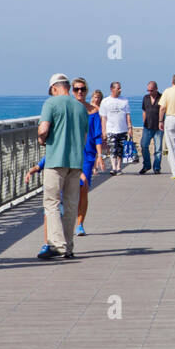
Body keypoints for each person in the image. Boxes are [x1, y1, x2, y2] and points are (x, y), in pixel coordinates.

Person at [38, 73, 89, 259]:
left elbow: (43, 129)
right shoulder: (81, 107)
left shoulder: (50, 104)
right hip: (75, 162)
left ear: (54, 88)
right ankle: (68, 247)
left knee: (51, 203)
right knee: (71, 204)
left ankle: (57, 244)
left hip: (55, 161)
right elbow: (84, 137)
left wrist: (41, 139)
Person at [72, 80, 104, 236]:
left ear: (86, 91)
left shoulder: (93, 111)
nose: (80, 92)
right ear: (72, 91)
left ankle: (80, 224)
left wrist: (100, 156)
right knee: (70, 189)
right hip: (70, 153)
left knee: (83, 188)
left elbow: (97, 135)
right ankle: (68, 219)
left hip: (88, 154)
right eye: (76, 89)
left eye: (82, 89)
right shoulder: (69, 109)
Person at [98, 81, 133, 175]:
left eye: (120, 88)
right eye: (118, 88)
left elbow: (127, 115)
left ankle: (118, 167)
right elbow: (103, 118)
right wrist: (104, 130)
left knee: (120, 150)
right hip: (111, 129)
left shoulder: (124, 101)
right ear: (112, 89)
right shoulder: (105, 101)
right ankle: (113, 167)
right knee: (113, 149)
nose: (119, 90)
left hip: (122, 129)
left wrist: (130, 127)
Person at [139, 81, 163, 174]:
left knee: (158, 149)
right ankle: (146, 165)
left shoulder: (162, 97)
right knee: (144, 146)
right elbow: (144, 111)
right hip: (147, 127)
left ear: (156, 89)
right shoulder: (145, 98)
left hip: (158, 128)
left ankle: (156, 168)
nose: (150, 92)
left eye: (151, 90)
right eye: (148, 90)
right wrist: (143, 122)